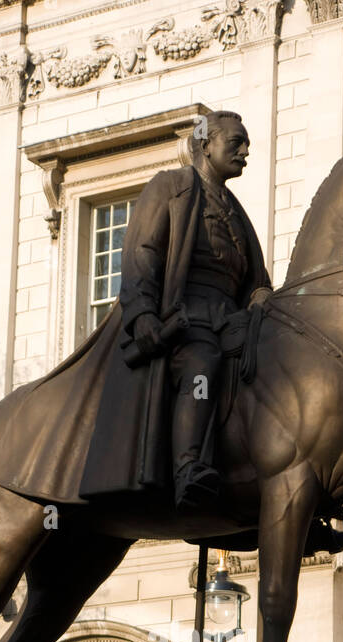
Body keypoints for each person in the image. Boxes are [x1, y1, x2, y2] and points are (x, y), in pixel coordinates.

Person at [79, 110, 271, 511]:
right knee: (203, 363)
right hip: (187, 320)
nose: (246, 151)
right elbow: (142, 252)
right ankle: (189, 468)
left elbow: (256, 276)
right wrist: (143, 313)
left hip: (233, 319)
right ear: (205, 144)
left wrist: (260, 295)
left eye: (246, 144)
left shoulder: (236, 211)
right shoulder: (171, 187)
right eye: (236, 143)